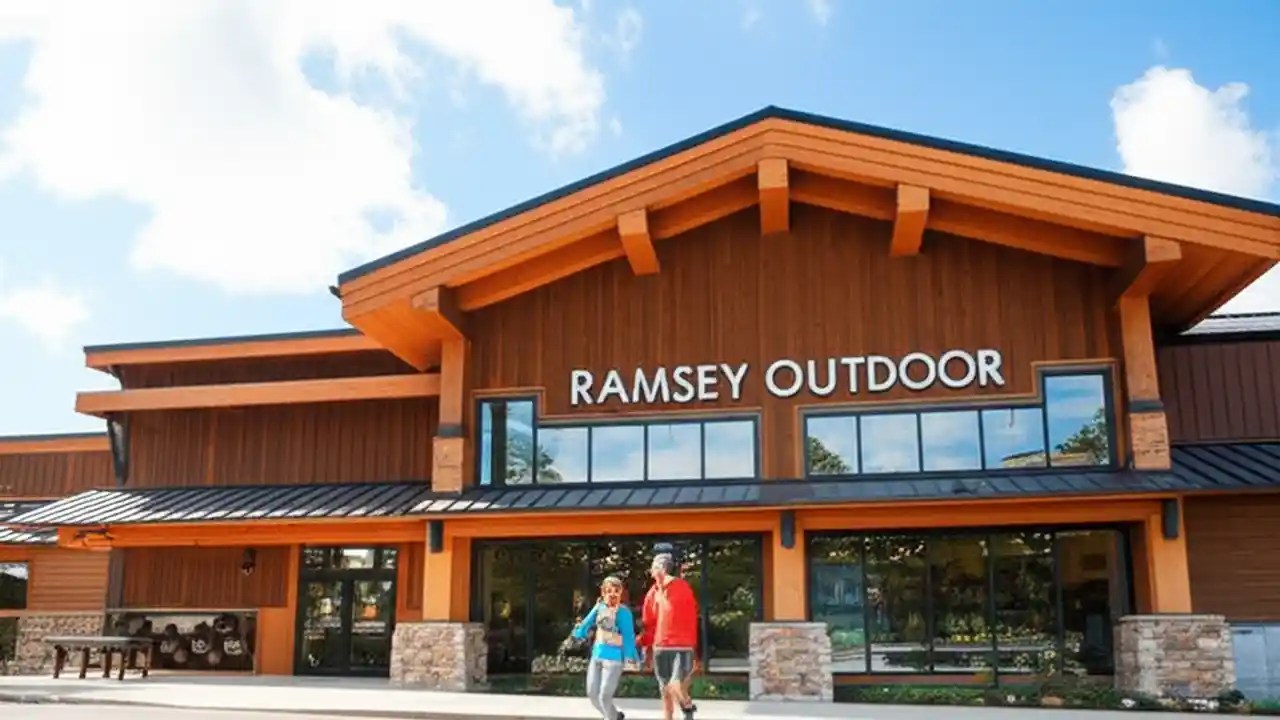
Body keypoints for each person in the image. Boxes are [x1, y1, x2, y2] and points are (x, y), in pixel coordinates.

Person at [640, 550, 699, 720]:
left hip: (682, 646)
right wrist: (644, 645)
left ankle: (688, 707)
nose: (651, 573)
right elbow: (649, 622)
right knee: (665, 691)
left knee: (675, 685)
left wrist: (695, 651)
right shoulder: (653, 593)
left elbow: (691, 617)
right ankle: (679, 715)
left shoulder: (682, 587)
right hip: (660, 647)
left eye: (653, 568)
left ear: (662, 568)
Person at [571, 576, 639, 720]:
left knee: (604, 696)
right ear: (603, 592)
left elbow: (628, 637)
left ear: (621, 593)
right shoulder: (599, 607)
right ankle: (614, 716)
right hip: (597, 655)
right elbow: (587, 622)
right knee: (592, 694)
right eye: (608, 591)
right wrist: (578, 633)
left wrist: (630, 657)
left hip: (614, 659)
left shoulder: (624, 613)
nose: (612, 594)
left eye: (616, 591)